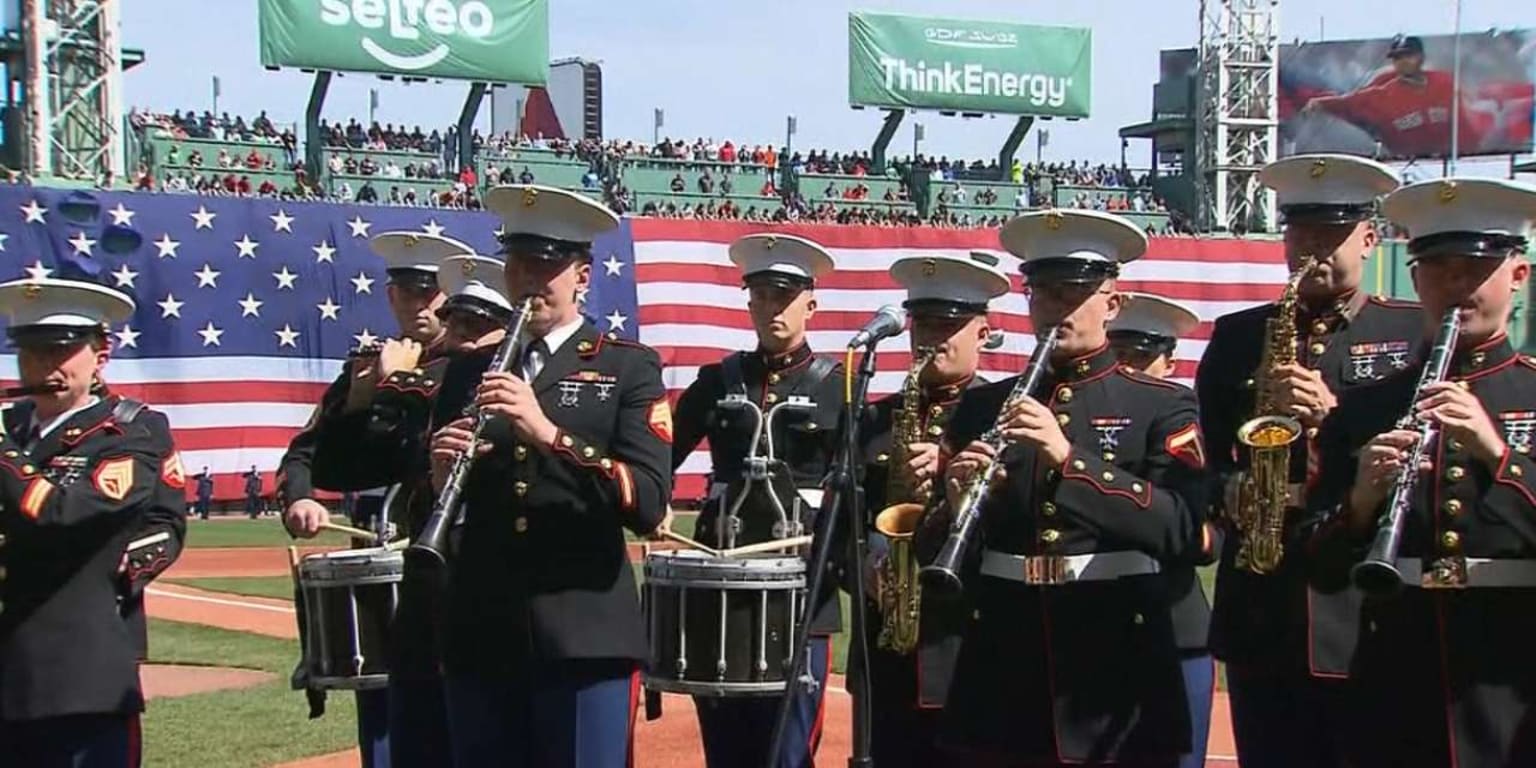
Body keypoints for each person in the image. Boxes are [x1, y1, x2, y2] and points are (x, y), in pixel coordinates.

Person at [934, 209, 1210, 767]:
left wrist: (1069, 460)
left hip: (1117, 662)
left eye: (1072, 292)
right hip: (1005, 662)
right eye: (1043, 293)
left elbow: (1184, 529)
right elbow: (938, 560)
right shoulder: (986, 406)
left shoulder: (1158, 403)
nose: (1056, 308)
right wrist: (955, 506)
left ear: (1111, 302)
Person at [427, 184, 672, 767]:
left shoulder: (626, 366)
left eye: (547, 264)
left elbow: (648, 498)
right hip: (482, 627)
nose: (530, 277)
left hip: (583, 631)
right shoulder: (467, 373)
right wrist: (438, 481)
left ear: (581, 275)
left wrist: (549, 433)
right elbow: (436, 511)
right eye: (519, 262)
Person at [1305, 177, 1536, 767]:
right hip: (1396, 674)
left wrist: (1497, 454)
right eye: (1438, 268)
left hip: (1514, 671)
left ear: (1517, 275)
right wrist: (1359, 503)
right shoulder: (1366, 407)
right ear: (1414, 279)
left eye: (1474, 267)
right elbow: (1315, 565)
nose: (1457, 285)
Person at [1198, 153, 1420, 768]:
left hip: (1364, 607)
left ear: (1370, 239)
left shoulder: (1412, 334)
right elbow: (1210, 460)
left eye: (1332, 234)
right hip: (1262, 606)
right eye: (1301, 233)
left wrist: (1336, 416)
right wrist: (1229, 489)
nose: (1313, 248)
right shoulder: (1240, 336)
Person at [325, 246, 518, 768]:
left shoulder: (518, 390)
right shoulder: (422, 382)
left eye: (481, 325)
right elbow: (341, 468)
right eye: (456, 321)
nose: (464, 336)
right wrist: (377, 395)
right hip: (429, 594)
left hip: (503, 597)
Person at [669, 233, 845, 768]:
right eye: (762, 295)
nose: (771, 308)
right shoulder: (718, 380)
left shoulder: (839, 388)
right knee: (725, 744)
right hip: (723, 586)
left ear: (810, 304)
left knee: (787, 750)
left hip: (801, 590)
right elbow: (659, 459)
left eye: (784, 296)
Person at [279, 229, 452, 768]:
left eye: (430, 291)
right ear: (390, 296)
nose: (419, 303)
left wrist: (394, 389)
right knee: (383, 721)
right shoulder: (364, 366)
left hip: (445, 562)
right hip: (381, 562)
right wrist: (301, 498)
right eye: (407, 291)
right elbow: (306, 450)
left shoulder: (473, 364)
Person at [0, 276, 182, 766]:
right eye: (32, 352)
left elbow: (62, 513)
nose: (46, 367)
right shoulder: (12, 428)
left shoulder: (128, 434)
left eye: (62, 352)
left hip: (76, 680)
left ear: (101, 353)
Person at [859, 251, 1008, 768]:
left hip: (970, 645)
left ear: (983, 333)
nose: (931, 337)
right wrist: (862, 570)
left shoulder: (1001, 416)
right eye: (922, 322)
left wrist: (953, 480)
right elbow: (836, 522)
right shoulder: (874, 419)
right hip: (885, 649)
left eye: (949, 324)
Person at [1107, 292, 1219, 768]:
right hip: (1087, 626)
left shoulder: (1177, 417)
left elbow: (1201, 538)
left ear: (1169, 362)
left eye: (1141, 356)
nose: (1128, 366)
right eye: (1119, 355)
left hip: (1171, 625)